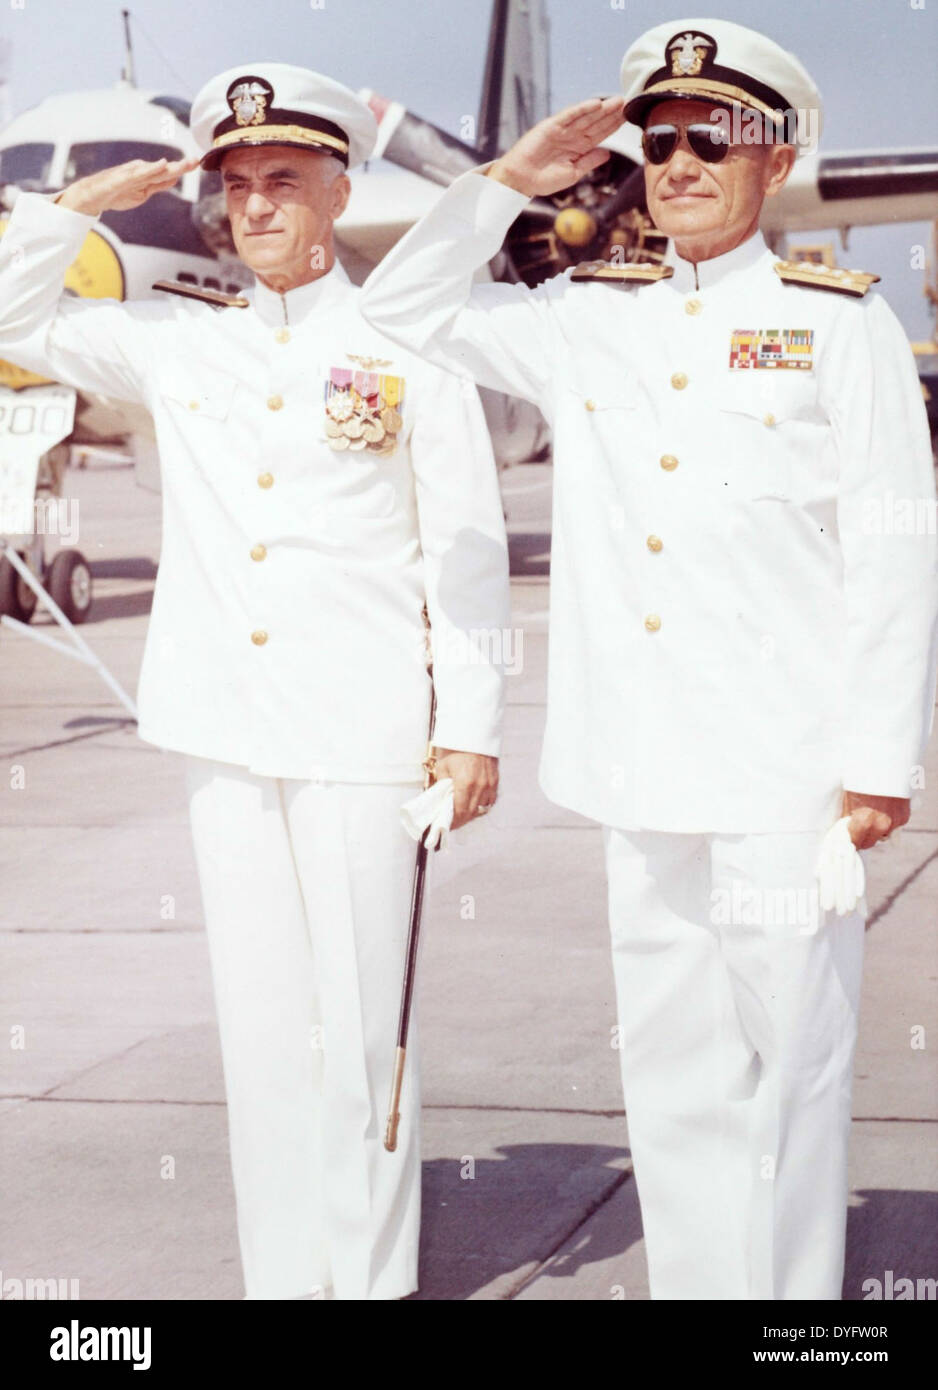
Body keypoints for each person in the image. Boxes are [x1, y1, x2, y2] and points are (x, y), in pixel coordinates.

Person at [360, 18, 938, 1299]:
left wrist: (876, 761)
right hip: (635, 767)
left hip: (786, 778)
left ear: (772, 161)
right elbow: (399, 306)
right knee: (673, 1077)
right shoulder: (583, 317)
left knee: (791, 1074)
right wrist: (509, 180)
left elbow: (894, 548)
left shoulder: (835, 326)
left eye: (710, 140)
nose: (676, 161)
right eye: (657, 139)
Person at [0, 63, 510, 1301]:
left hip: (364, 737)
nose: (258, 205)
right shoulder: (182, 345)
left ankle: (370, 1283)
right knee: (264, 1032)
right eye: (236, 185)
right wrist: (75, 209)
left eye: (284, 178)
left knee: (364, 1028)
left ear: (338, 190)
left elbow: (464, 548)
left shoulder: (407, 343)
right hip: (224, 733)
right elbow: (12, 322)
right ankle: (286, 1282)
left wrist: (470, 726)